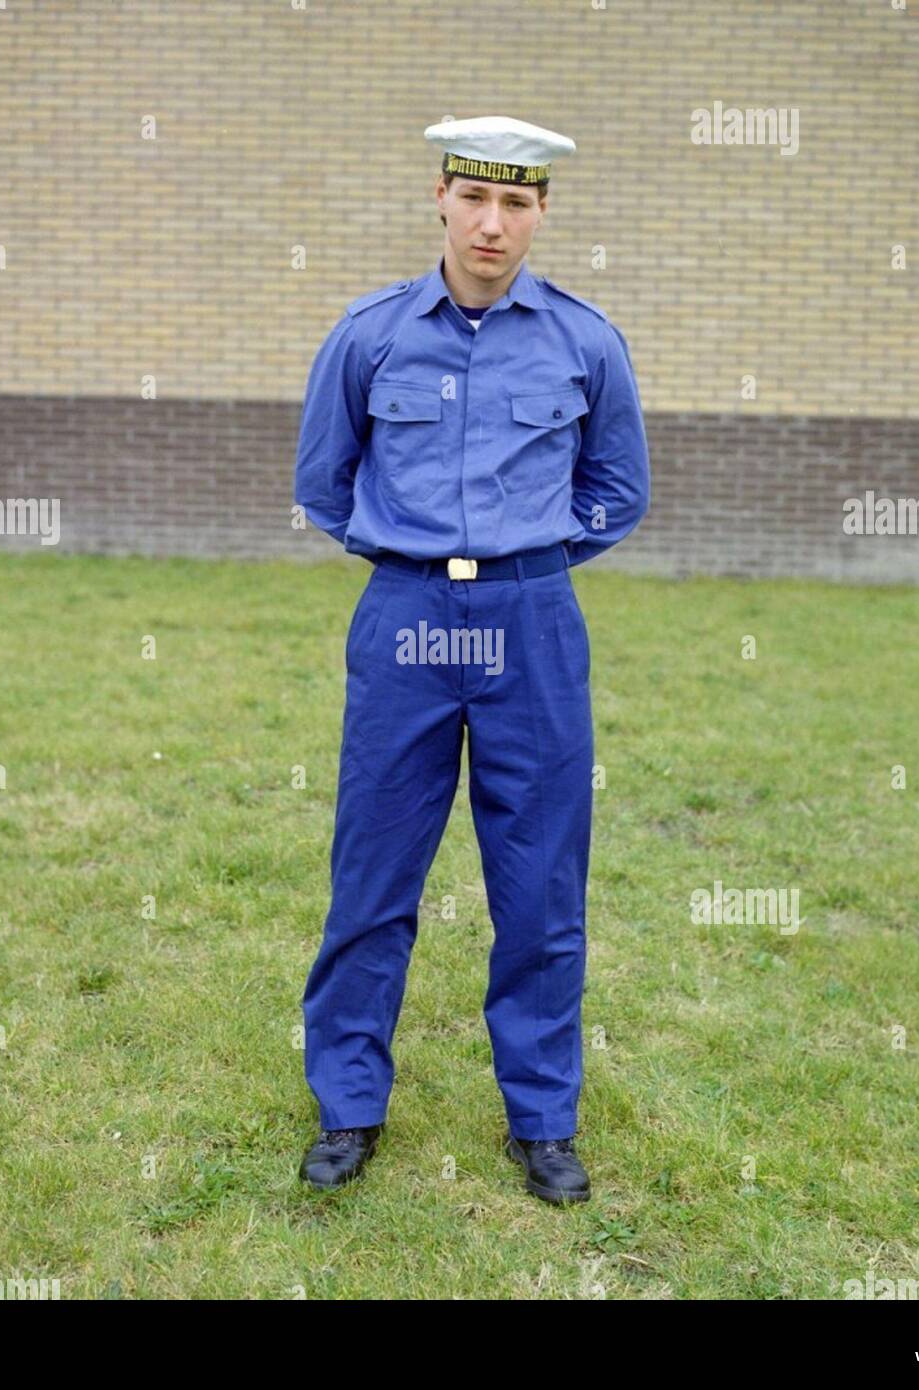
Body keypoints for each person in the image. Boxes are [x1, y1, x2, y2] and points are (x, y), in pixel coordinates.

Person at [293, 115, 651, 1204]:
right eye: (475, 199)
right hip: (403, 620)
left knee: (540, 884)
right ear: (441, 200)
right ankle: (349, 1104)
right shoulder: (369, 333)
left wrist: (522, 563)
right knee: (372, 876)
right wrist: (419, 559)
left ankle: (542, 1119)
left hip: (531, 625)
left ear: (542, 213)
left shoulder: (586, 341)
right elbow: (323, 482)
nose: (493, 224)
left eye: (518, 204)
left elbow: (618, 492)